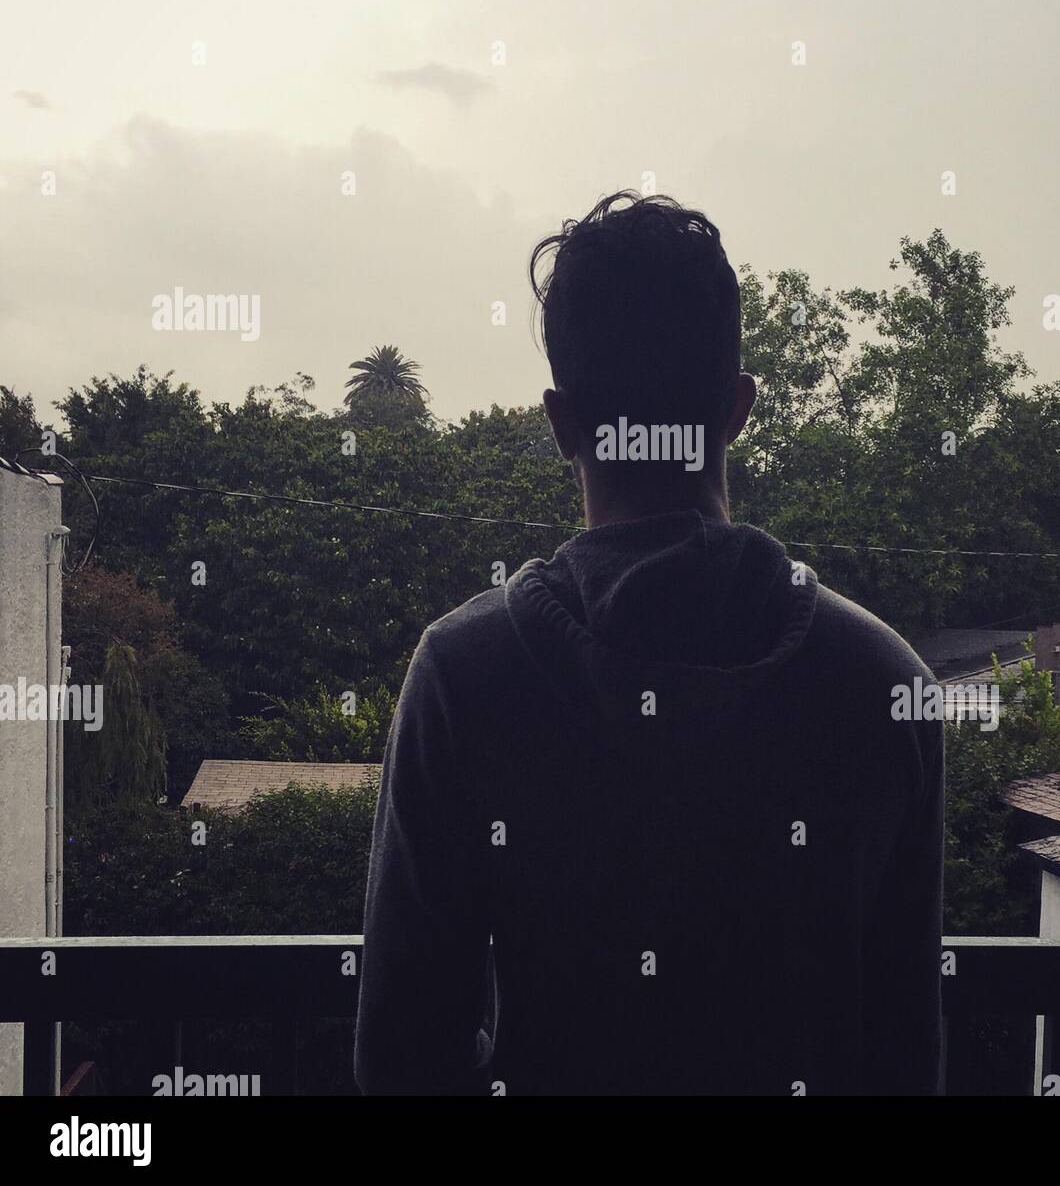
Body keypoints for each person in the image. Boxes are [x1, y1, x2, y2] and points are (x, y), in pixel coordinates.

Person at [354, 192, 943, 1095]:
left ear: (559, 423)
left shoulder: (464, 678)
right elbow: (905, 1052)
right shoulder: (883, 685)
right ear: (739, 408)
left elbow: (402, 1054)